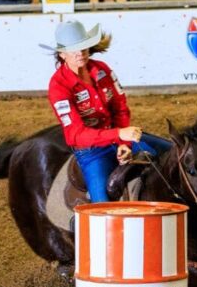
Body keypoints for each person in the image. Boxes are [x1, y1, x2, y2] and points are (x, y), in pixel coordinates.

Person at [46, 21, 171, 203]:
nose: (80, 53)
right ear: (62, 54)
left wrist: (123, 143)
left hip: (121, 137)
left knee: (174, 153)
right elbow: (76, 135)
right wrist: (119, 134)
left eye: (82, 46)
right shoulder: (58, 86)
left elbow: (120, 107)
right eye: (73, 49)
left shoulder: (102, 70)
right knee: (102, 207)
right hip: (91, 152)